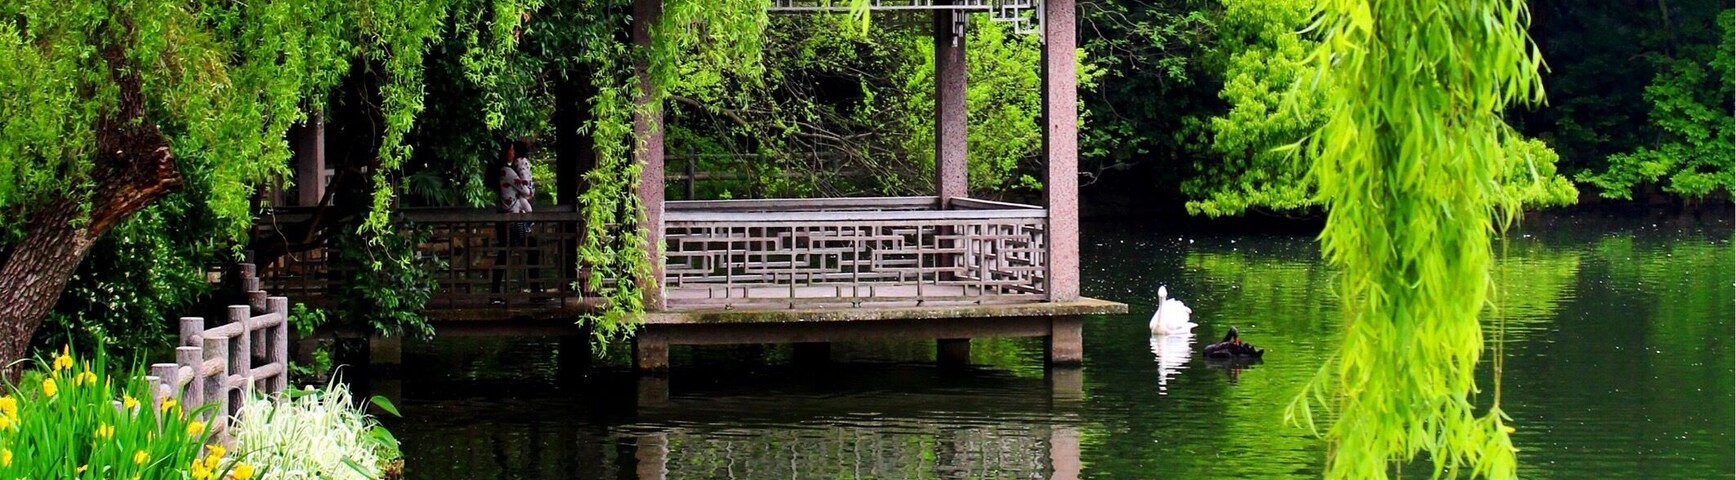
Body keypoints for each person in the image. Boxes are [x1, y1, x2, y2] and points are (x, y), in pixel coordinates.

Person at [492, 140, 541, 302]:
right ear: (506, 152)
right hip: (514, 219)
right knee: (530, 249)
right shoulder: (507, 172)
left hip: (507, 218)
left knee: (504, 254)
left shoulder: (501, 170)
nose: (513, 153)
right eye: (511, 150)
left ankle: (496, 293)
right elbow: (525, 190)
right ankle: (535, 291)